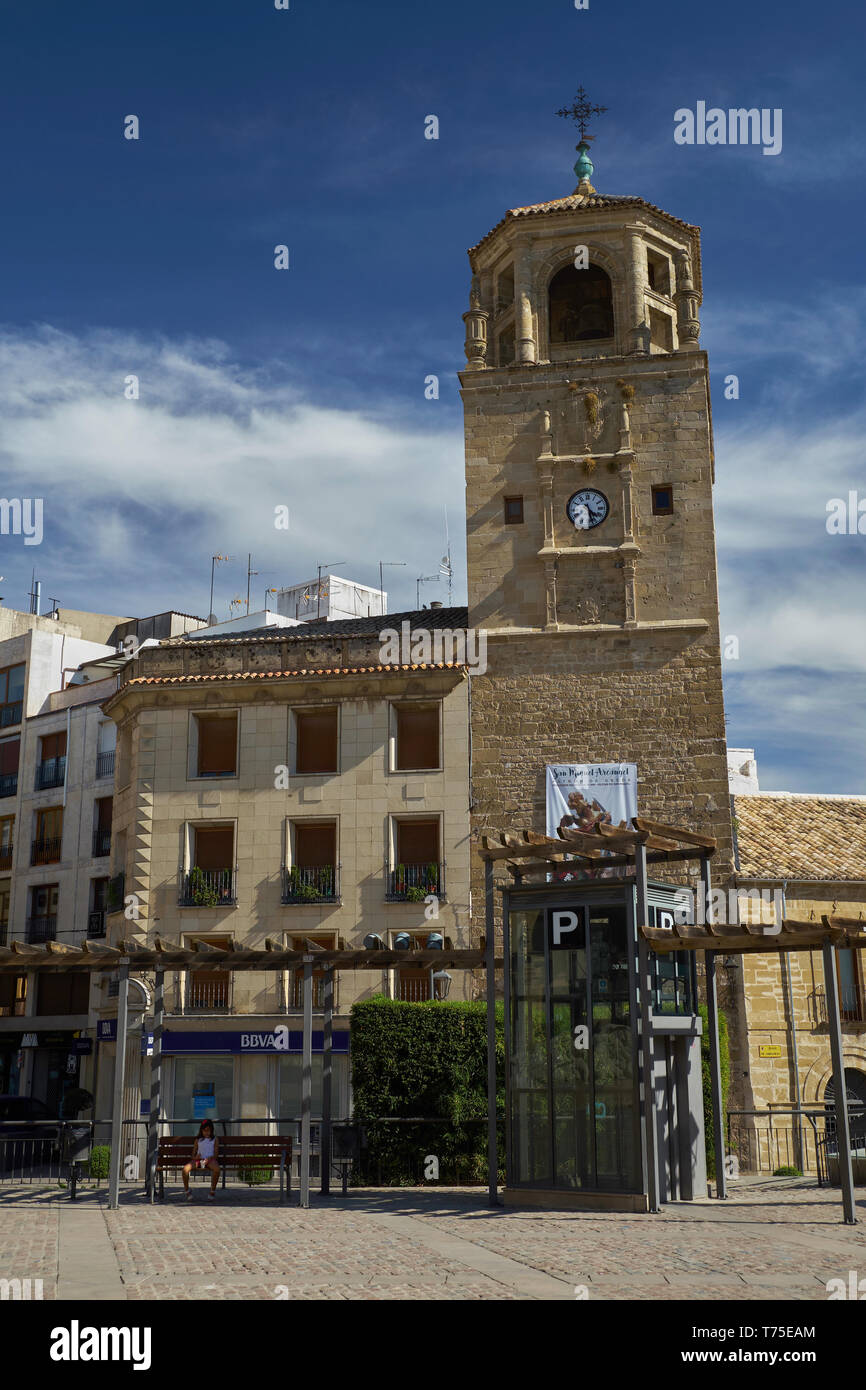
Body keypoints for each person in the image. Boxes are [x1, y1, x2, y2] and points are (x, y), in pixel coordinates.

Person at [182, 1119, 220, 1200]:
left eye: (208, 1130)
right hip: (198, 1160)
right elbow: (193, 1154)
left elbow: (216, 1154)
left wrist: (209, 1158)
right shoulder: (198, 1140)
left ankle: (212, 1191)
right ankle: (187, 1190)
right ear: (201, 1130)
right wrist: (196, 1157)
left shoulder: (214, 1139)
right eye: (204, 1130)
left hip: (210, 1160)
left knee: (217, 1169)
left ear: (211, 1130)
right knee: (185, 1169)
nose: (206, 1132)